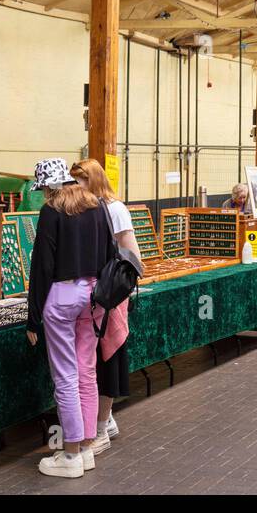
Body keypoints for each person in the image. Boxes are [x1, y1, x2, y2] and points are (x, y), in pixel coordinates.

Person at [26, 158, 118, 478]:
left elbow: (42, 266)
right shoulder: (97, 205)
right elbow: (111, 254)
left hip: (62, 297)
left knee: (65, 376)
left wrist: (33, 317)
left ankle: (70, 454)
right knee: (87, 372)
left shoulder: (52, 212)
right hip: (94, 296)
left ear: (49, 187)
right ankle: (88, 448)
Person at [70, 159, 143, 455]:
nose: (76, 187)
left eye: (81, 180)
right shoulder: (87, 206)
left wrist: (117, 287)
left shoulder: (114, 208)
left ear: (94, 180)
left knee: (107, 356)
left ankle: (101, 427)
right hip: (92, 294)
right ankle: (105, 420)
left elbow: (131, 253)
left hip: (109, 295)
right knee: (95, 360)